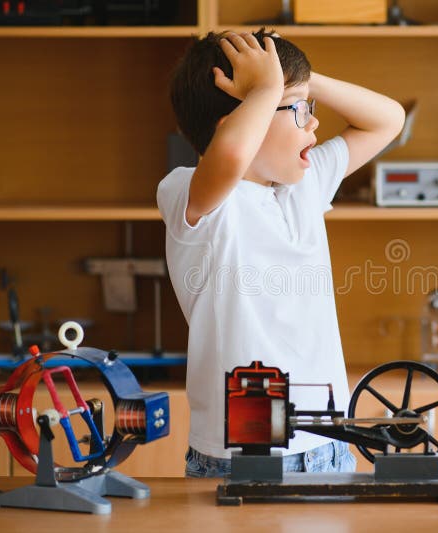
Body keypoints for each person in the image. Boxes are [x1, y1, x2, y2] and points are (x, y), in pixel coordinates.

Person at [158, 29, 405, 477]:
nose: (313, 123)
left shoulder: (301, 186)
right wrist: (270, 88)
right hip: (245, 458)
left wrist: (296, 81)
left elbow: (388, 119)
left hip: (332, 443)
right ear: (236, 122)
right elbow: (230, 156)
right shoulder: (191, 195)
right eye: (298, 111)